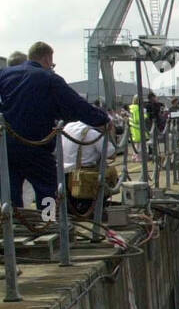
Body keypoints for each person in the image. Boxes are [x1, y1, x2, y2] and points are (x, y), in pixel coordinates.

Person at [0, 42, 112, 209]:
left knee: (10, 191)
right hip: (36, 144)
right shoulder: (49, 78)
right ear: (46, 58)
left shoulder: (4, 74)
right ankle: (48, 222)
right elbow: (77, 105)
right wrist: (103, 120)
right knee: (47, 187)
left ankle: (14, 226)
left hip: (6, 145)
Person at [62, 115, 119, 216]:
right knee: (112, 174)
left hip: (64, 173)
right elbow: (112, 154)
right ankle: (91, 207)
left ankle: (75, 208)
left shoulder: (68, 127)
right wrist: (110, 133)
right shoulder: (92, 133)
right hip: (83, 177)